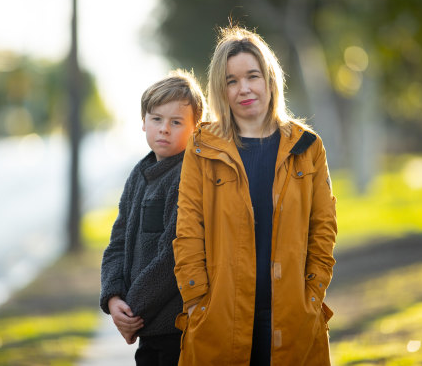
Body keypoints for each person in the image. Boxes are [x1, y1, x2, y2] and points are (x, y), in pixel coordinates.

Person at [173, 26, 337, 365]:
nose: (243, 89)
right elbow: (188, 229)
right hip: (219, 316)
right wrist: (196, 301)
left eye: (252, 76)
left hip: (292, 315)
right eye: (231, 81)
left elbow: (324, 228)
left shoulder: (307, 147)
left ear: (270, 80)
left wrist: (312, 294)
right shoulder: (202, 149)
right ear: (221, 89)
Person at [100, 69, 206, 366]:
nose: (164, 129)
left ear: (195, 128)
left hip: (177, 330)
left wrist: (132, 310)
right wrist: (113, 297)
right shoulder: (139, 174)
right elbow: (118, 242)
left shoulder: (188, 175)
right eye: (157, 119)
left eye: (176, 122)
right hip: (145, 327)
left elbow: (174, 255)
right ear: (143, 122)